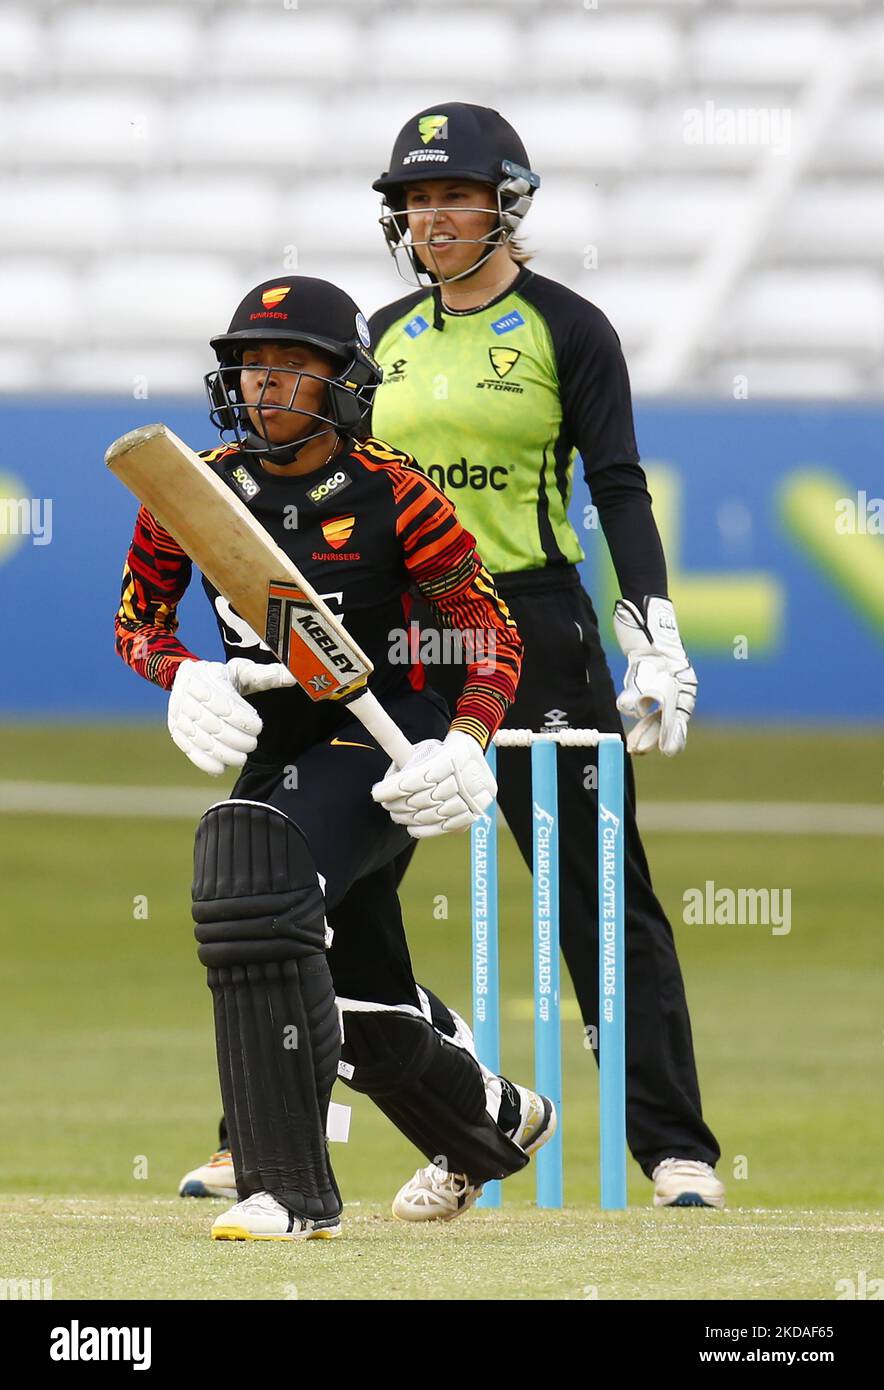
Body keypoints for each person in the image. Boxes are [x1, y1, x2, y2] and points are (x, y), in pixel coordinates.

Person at [115, 274, 556, 1238]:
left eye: (291, 368)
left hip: (385, 737)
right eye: (250, 366)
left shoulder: (397, 492)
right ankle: (491, 1121)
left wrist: (471, 740)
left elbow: (489, 632)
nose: (265, 386)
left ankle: (287, 1189)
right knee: (349, 993)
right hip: (277, 737)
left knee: (253, 885)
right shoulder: (192, 490)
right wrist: (185, 676)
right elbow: (138, 623)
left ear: (343, 381)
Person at [367, 103, 724, 1214]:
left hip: (532, 629)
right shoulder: (378, 331)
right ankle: (418, 1133)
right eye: (414, 200)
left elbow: (615, 486)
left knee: (596, 896)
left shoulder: (566, 328)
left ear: (505, 203)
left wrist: (652, 633)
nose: (430, 219)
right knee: (322, 884)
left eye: (452, 197)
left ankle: (673, 1150)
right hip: (398, 632)